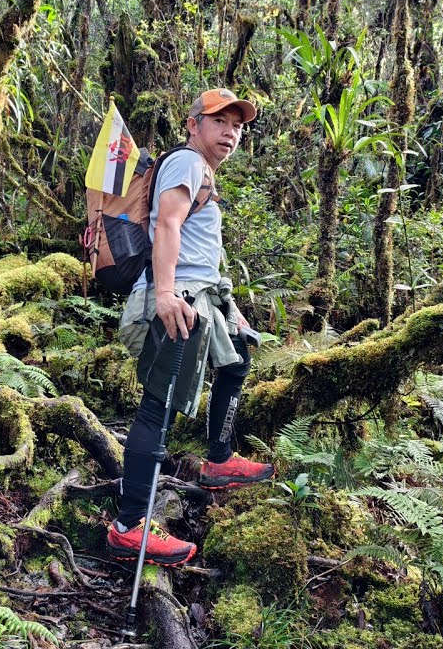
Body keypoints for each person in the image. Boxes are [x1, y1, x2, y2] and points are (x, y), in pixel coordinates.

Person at [105, 88, 274, 567]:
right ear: (193, 124)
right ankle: (129, 526)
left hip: (200, 295)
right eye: (220, 121)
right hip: (174, 300)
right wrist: (163, 295)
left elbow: (200, 249)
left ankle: (218, 459)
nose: (231, 132)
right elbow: (168, 227)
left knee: (238, 356)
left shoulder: (202, 174)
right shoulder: (187, 163)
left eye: (238, 125)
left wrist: (228, 304)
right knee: (157, 408)